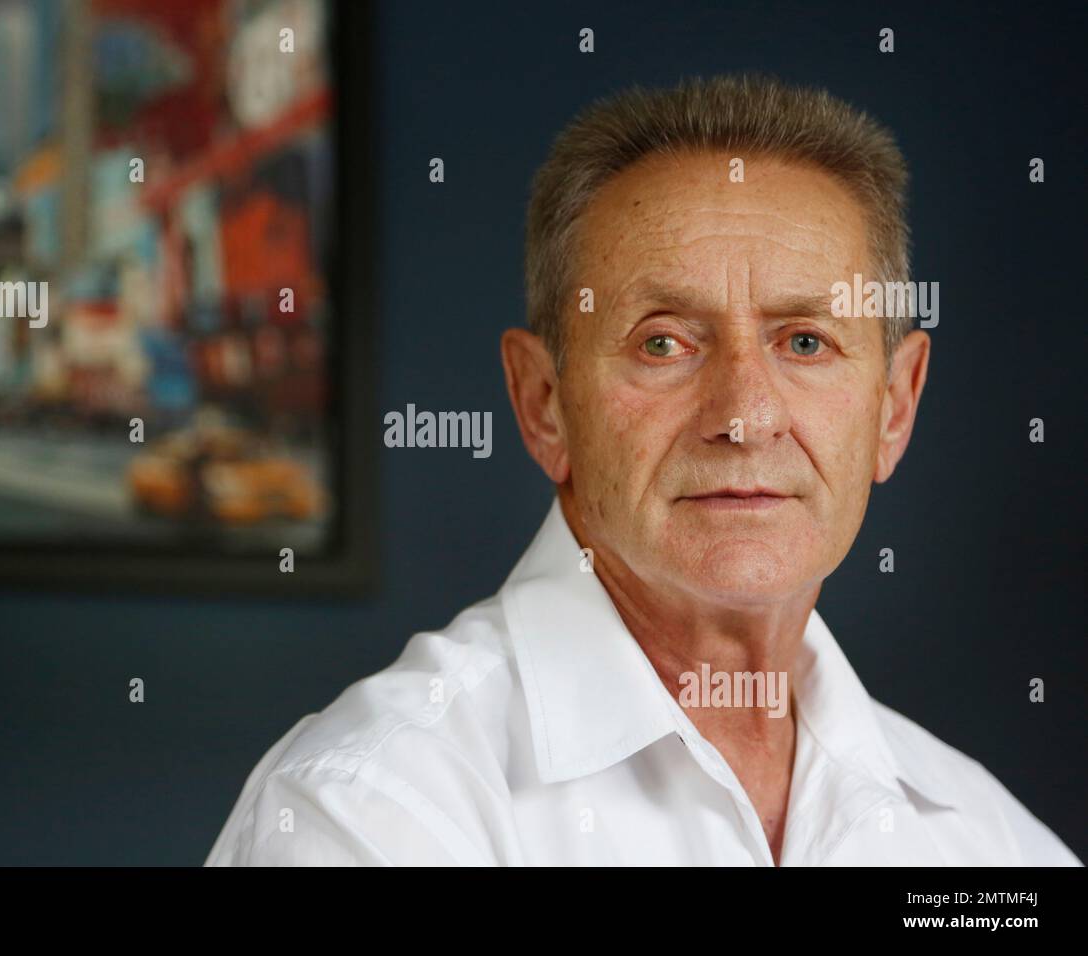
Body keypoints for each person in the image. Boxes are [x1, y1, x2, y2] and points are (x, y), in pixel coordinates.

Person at [205, 75, 1081, 866]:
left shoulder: (986, 846)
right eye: (663, 342)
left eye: (805, 341)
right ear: (545, 401)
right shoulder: (367, 810)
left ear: (894, 408)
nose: (743, 415)